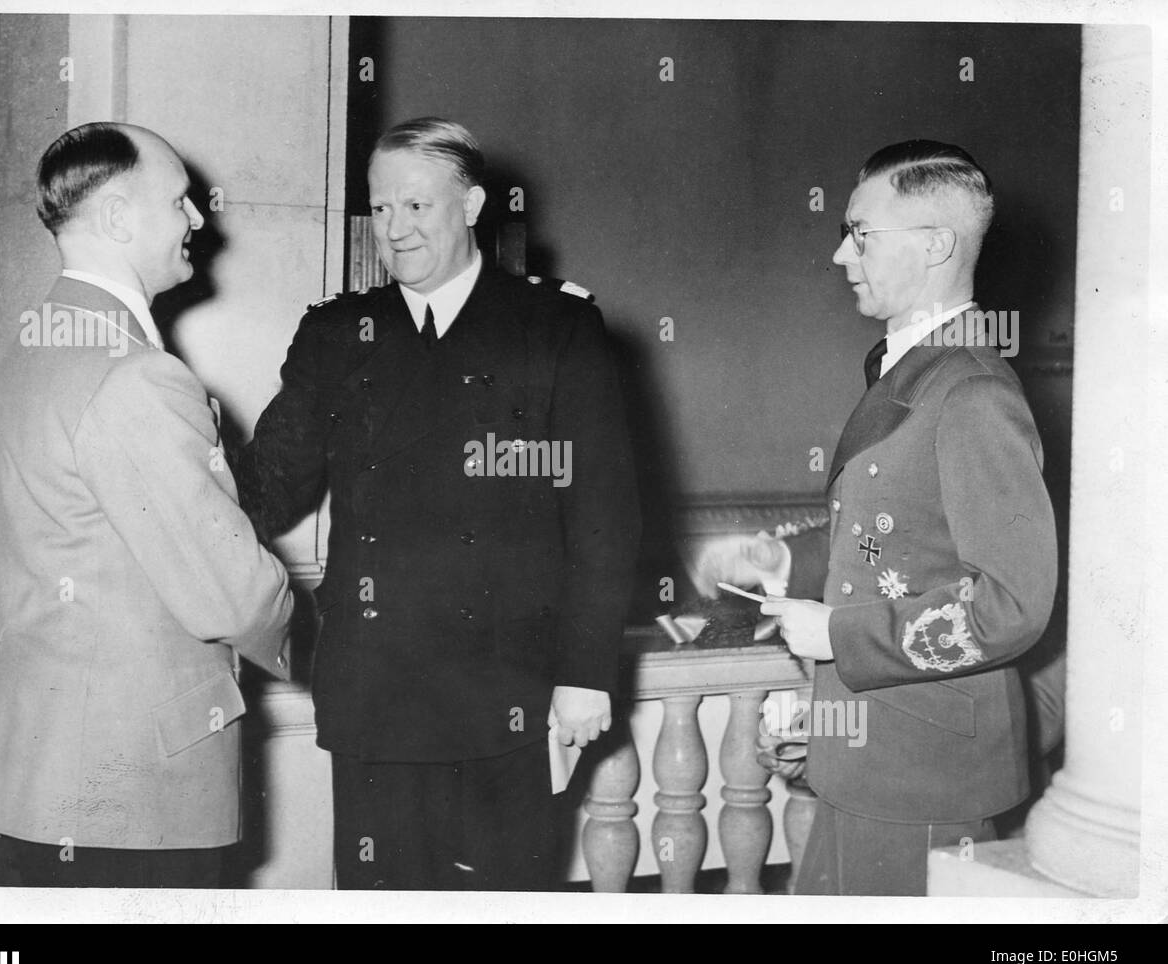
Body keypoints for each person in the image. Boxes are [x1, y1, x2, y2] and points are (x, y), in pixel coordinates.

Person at [236, 117, 640, 891]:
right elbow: (268, 487)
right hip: (375, 693)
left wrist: (586, 672)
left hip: (508, 694)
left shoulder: (555, 327)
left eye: (416, 207)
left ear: (473, 204)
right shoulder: (335, 334)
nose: (395, 229)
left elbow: (604, 515)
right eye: (381, 210)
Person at [693, 140, 1057, 895]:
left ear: (935, 244)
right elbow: (895, 535)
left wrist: (836, 634)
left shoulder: (971, 391)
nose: (839, 256)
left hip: (925, 774)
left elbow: (1013, 603)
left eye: (860, 233)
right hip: (872, 761)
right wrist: (788, 562)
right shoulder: (909, 368)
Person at [0, 122, 294, 888]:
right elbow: (233, 596)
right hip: (130, 796)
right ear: (119, 218)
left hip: (15, 780)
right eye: (180, 202)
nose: (199, 219)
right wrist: (322, 648)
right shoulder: (138, 376)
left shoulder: (21, 364)